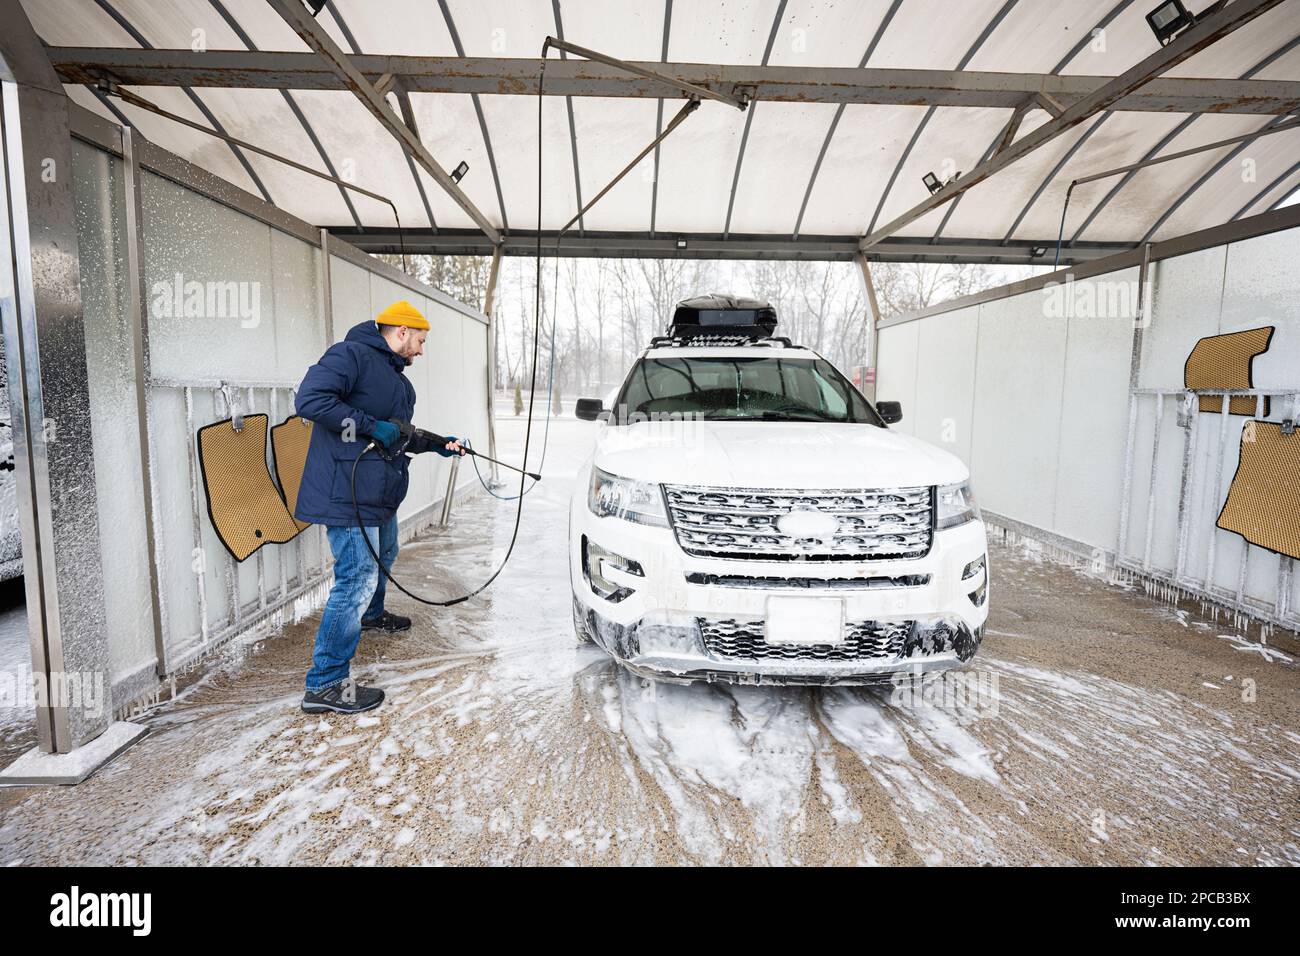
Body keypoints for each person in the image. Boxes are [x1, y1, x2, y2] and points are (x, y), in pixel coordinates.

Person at [294, 300, 465, 714]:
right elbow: (310, 401)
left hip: (379, 492)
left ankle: (370, 615)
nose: (422, 350)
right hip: (346, 490)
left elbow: (398, 434)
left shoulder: (399, 382)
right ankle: (325, 683)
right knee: (356, 576)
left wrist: (438, 443)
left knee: (385, 554)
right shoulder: (350, 355)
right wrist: (371, 426)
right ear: (401, 331)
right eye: (420, 340)